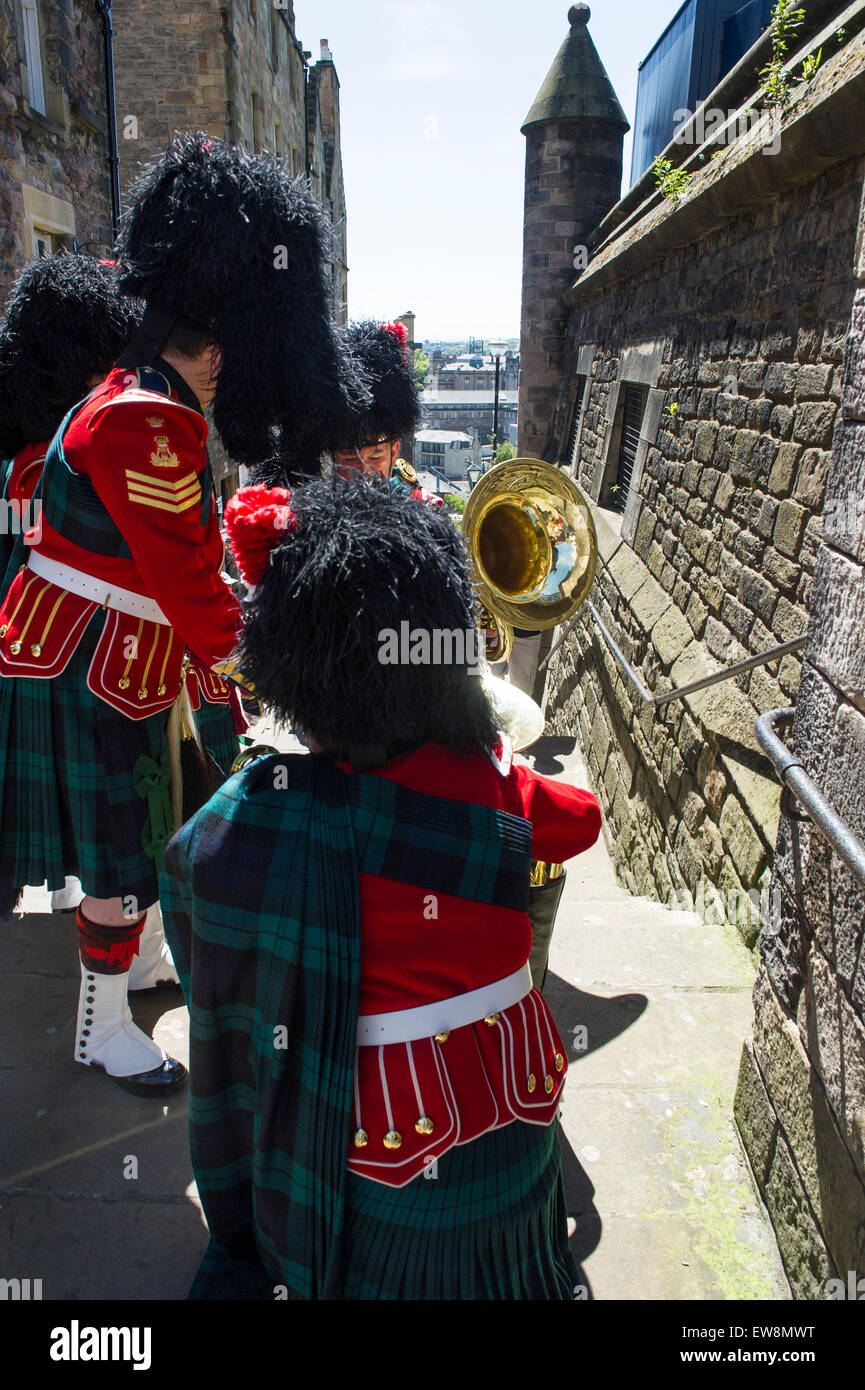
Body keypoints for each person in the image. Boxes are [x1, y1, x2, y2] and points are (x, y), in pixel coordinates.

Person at [160, 476, 602, 1299]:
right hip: (517, 1113)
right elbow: (580, 819)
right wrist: (480, 746)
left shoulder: (253, 816)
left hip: (370, 1140)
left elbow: (195, 882)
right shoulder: (495, 784)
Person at [0, 133, 366, 1095]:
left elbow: (197, 565)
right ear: (210, 342)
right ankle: (103, 1029)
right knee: (116, 860)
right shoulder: (144, 418)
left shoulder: (146, 400)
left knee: (148, 830)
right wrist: (281, 673)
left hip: (115, 652)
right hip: (91, 662)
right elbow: (191, 589)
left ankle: (144, 965)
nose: (226, 376)